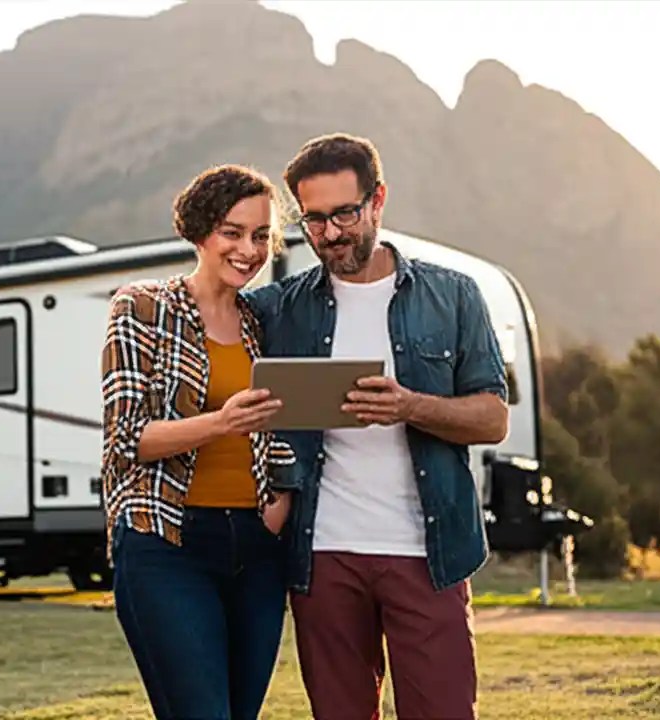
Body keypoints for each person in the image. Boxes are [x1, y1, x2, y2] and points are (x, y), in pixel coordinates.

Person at [243, 133, 511, 720]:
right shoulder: (278, 308)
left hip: (426, 551)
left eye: (345, 213)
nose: (332, 233)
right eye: (314, 221)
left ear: (378, 200)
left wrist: (409, 406)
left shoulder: (453, 296)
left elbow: (492, 418)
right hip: (323, 553)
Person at [99, 164, 299, 720]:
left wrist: (277, 508)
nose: (248, 249)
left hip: (257, 549)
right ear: (200, 231)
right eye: (232, 232)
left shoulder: (261, 321)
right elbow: (125, 439)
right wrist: (220, 423)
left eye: (261, 236)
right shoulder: (141, 308)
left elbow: (282, 427)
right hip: (168, 543)